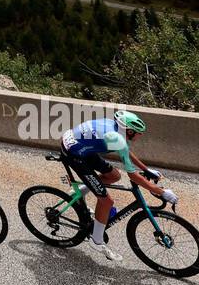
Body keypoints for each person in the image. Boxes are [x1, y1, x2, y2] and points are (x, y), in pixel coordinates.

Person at [61, 110, 177, 262]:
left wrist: (146, 170)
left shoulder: (116, 129)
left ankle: (79, 192)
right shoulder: (116, 138)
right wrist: (161, 192)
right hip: (74, 153)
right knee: (106, 201)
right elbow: (132, 175)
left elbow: (125, 151)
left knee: (114, 176)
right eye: (138, 133)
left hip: (80, 145)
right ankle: (96, 241)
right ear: (129, 131)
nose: (140, 136)